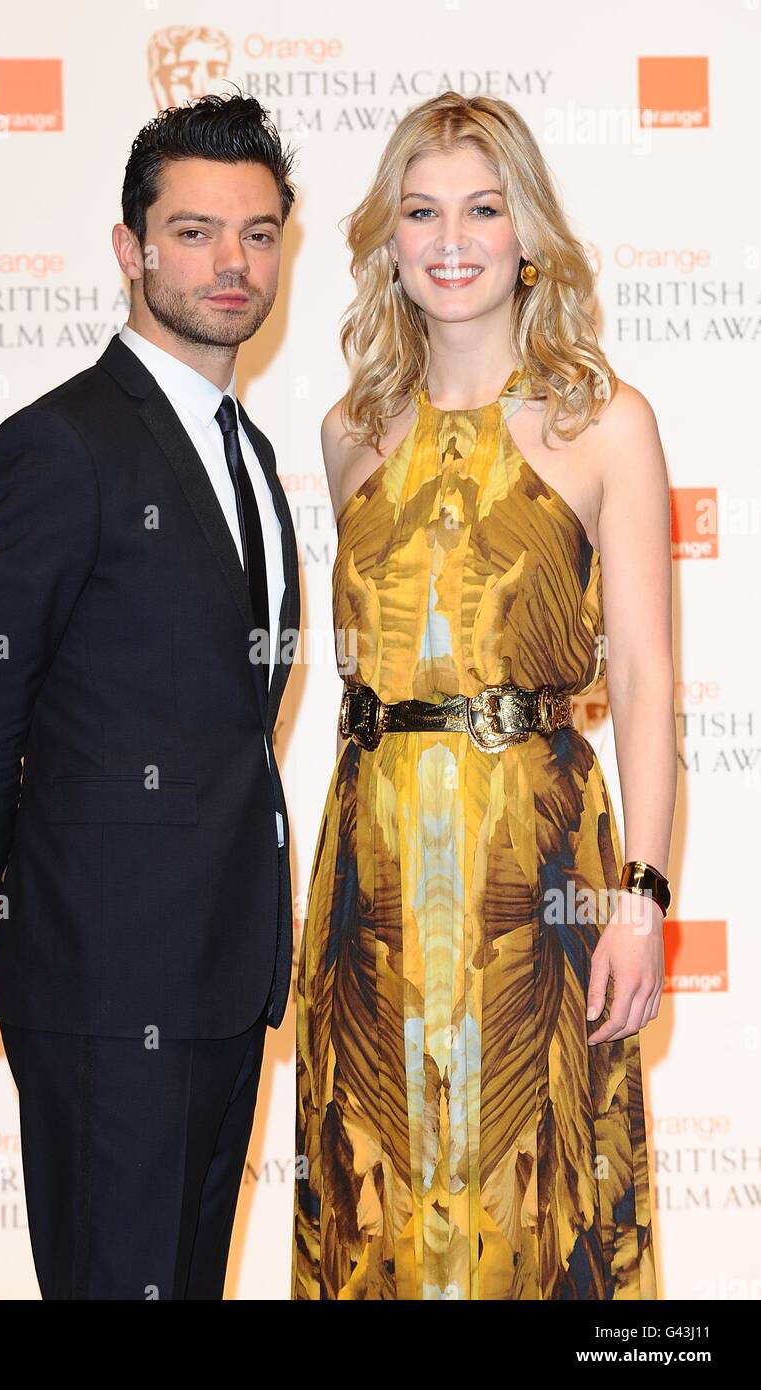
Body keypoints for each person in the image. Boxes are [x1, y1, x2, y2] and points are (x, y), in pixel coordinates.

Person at [0, 92, 300, 1300]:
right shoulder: (64, 445)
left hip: (222, 975)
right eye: (192, 232)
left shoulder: (246, 451)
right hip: (104, 975)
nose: (229, 262)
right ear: (130, 250)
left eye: (255, 232)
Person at [293, 92, 674, 1300]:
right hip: (374, 867)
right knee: (372, 1186)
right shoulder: (350, 431)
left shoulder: (604, 423)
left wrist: (645, 896)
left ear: (526, 234)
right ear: (389, 243)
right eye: (421, 212)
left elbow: (651, 678)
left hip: (540, 862)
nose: (450, 239)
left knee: (544, 1181)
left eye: (480, 207)